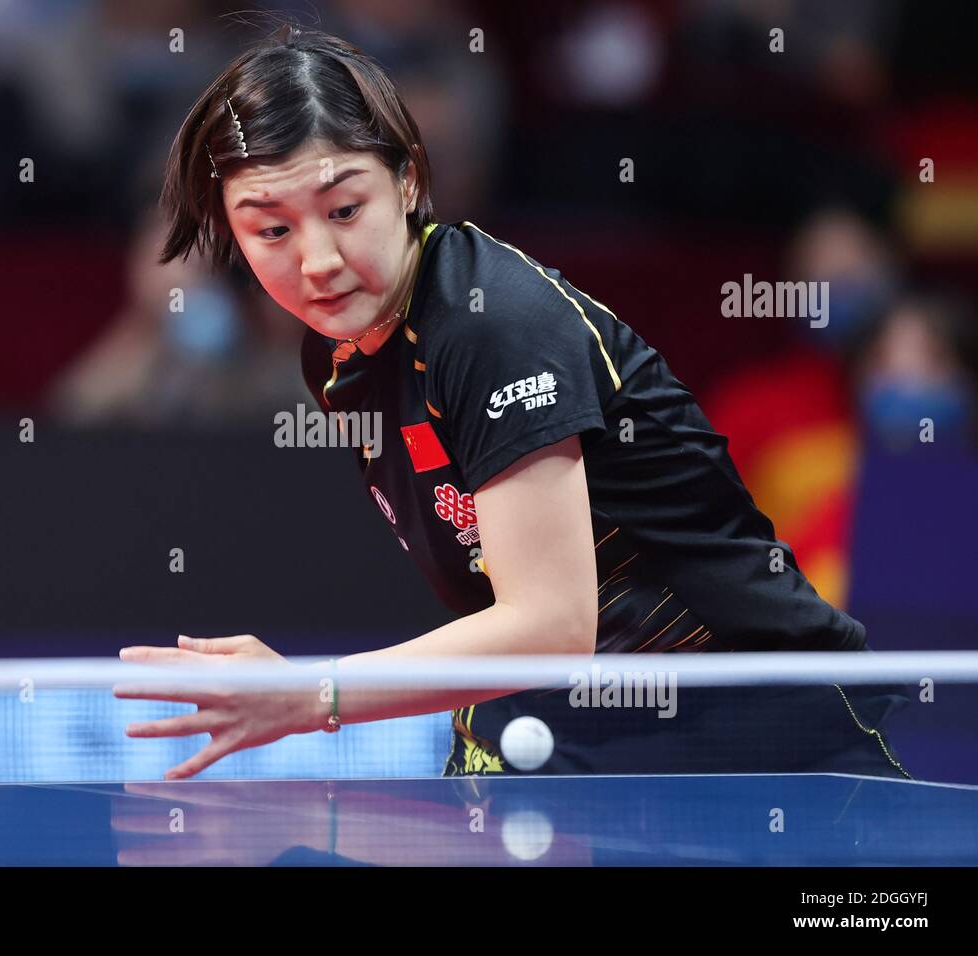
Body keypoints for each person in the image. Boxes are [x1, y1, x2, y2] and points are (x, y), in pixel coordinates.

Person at [117, 24, 909, 781]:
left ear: (409, 179)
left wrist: (314, 694)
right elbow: (495, 584)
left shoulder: (492, 325)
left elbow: (551, 627)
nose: (317, 261)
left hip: (751, 732)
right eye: (270, 229)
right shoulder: (333, 354)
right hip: (567, 724)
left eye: (345, 209)